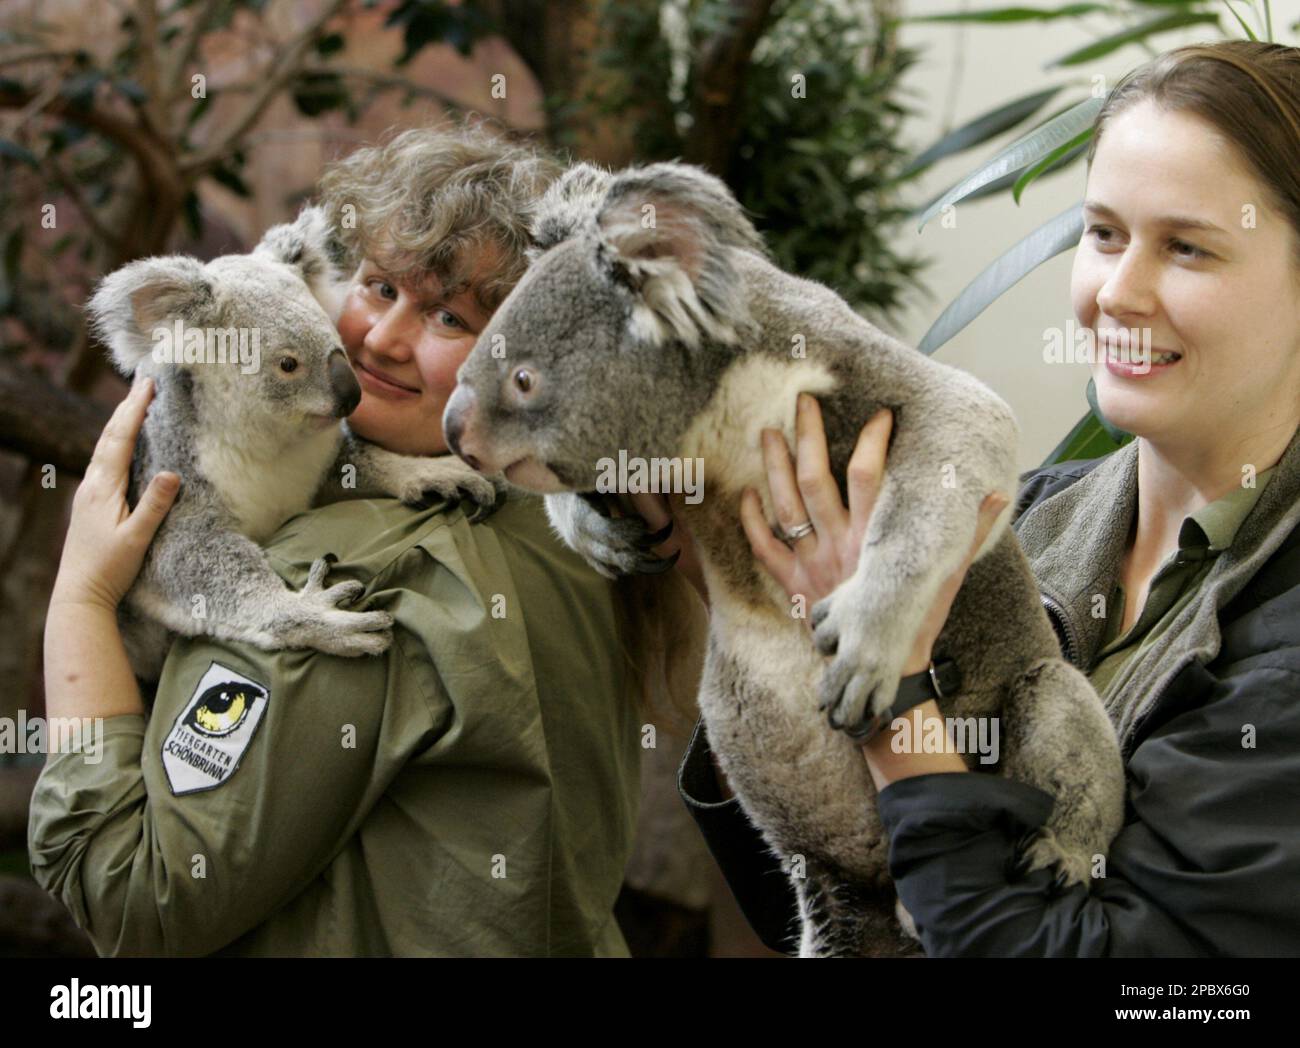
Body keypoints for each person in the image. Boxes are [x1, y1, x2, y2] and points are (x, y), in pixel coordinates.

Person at [670, 40, 1300, 956]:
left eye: (1188, 248)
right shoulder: (1021, 516)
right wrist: (754, 591)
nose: (1117, 293)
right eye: (1103, 233)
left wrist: (888, 687)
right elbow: (827, 902)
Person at [27, 124, 685, 957]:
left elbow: (135, 896)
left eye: (448, 315)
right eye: (377, 287)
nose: (379, 339)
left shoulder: (351, 578)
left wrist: (80, 603)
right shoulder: (567, 517)